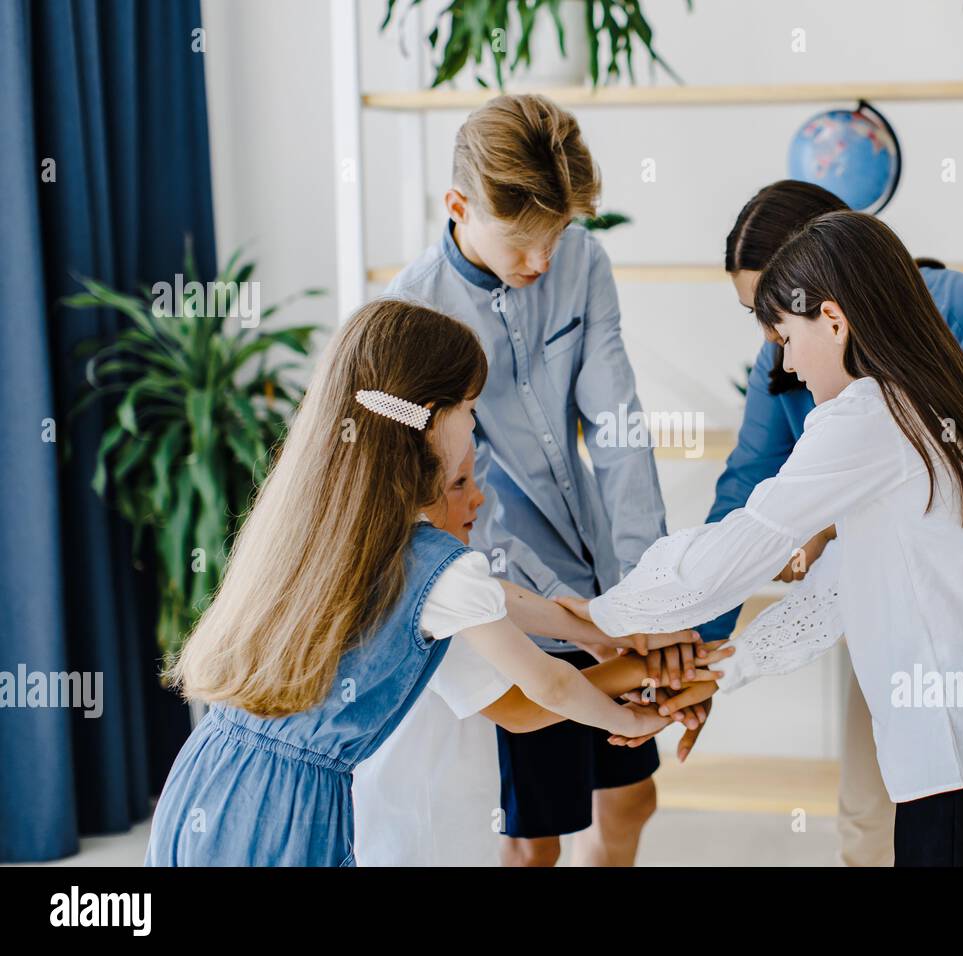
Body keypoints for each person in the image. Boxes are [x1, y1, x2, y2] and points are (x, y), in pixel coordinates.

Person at [573, 211, 963, 867]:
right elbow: (837, 591)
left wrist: (590, 615)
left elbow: (739, 547)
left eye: (785, 337)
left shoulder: (870, 413)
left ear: (832, 318)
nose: (785, 364)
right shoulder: (947, 403)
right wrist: (720, 672)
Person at [145, 300, 671, 867]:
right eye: (470, 407)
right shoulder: (434, 560)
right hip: (289, 814)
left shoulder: (324, 523)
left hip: (208, 776)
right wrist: (634, 719)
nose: (476, 425)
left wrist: (596, 626)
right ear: (430, 416)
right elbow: (551, 686)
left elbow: (487, 599)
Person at [385, 93, 670, 867]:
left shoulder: (581, 261)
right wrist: (577, 614)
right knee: (533, 839)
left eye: (557, 235)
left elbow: (619, 429)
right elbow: (459, 501)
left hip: (604, 571)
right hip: (504, 594)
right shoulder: (411, 314)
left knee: (632, 796)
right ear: (458, 206)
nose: (542, 261)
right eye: (522, 241)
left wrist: (645, 584)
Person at [351, 444, 729, 866]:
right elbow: (530, 700)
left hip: (426, 798)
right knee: (528, 841)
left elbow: (503, 600)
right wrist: (637, 708)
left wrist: (627, 632)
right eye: (460, 483)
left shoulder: (411, 551)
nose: (480, 495)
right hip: (410, 816)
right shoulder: (432, 574)